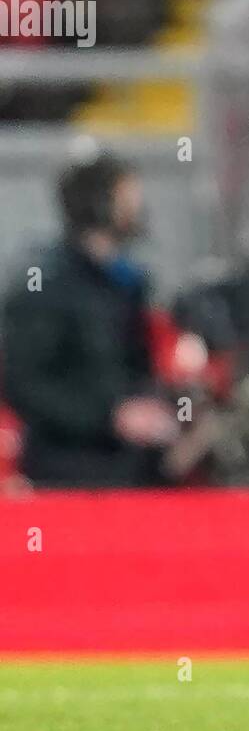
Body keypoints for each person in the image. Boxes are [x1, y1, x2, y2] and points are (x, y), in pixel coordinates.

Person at [1, 152, 179, 488]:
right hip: (70, 472)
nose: (138, 207)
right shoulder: (45, 285)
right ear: (99, 204)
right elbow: (22, 384)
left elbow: (135, 368)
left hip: (135, 467)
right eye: (127, 196)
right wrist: (110, 417)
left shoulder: (127, 283)